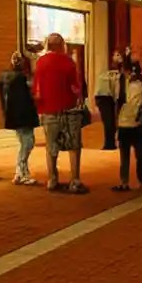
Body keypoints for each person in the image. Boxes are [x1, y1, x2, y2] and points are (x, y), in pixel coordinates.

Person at [34, 33, 88, 193]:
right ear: (61, 45)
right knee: (74, 145)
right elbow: (75, 87)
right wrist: (76, 98)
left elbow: (37, 88)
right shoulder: (68, 62)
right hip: (68, 110)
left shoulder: (41, 62)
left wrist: (40, 108)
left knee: (51, 146)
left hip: (49, 111)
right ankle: (75, 179)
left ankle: (52, 179)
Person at [0, 51, 40, 185]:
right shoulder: (23, 79)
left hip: (13, 116)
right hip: (24, 116)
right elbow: (29, 97)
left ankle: (20, 172)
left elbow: (3, 98)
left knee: (25, 143)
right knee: (28, 143)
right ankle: (21, 172)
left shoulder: (5, 77)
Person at [114, 61, 142, 192]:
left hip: (133, 123)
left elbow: (119, 103)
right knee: (130, 155)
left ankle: (135, 182)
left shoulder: (139, 85)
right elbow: (118, 102)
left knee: (136, 155)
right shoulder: (124, 84)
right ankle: (128, 182)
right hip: (127, 122)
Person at [94, 50, 125, 151]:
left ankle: (114, 142)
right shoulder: (107, 67)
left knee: (116, 120)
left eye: (119, 55)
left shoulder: (122, 68)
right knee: (108, 121)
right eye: (115, 55)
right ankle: (109, 143)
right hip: (103, 95)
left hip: (115, 96)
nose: (117, 57)